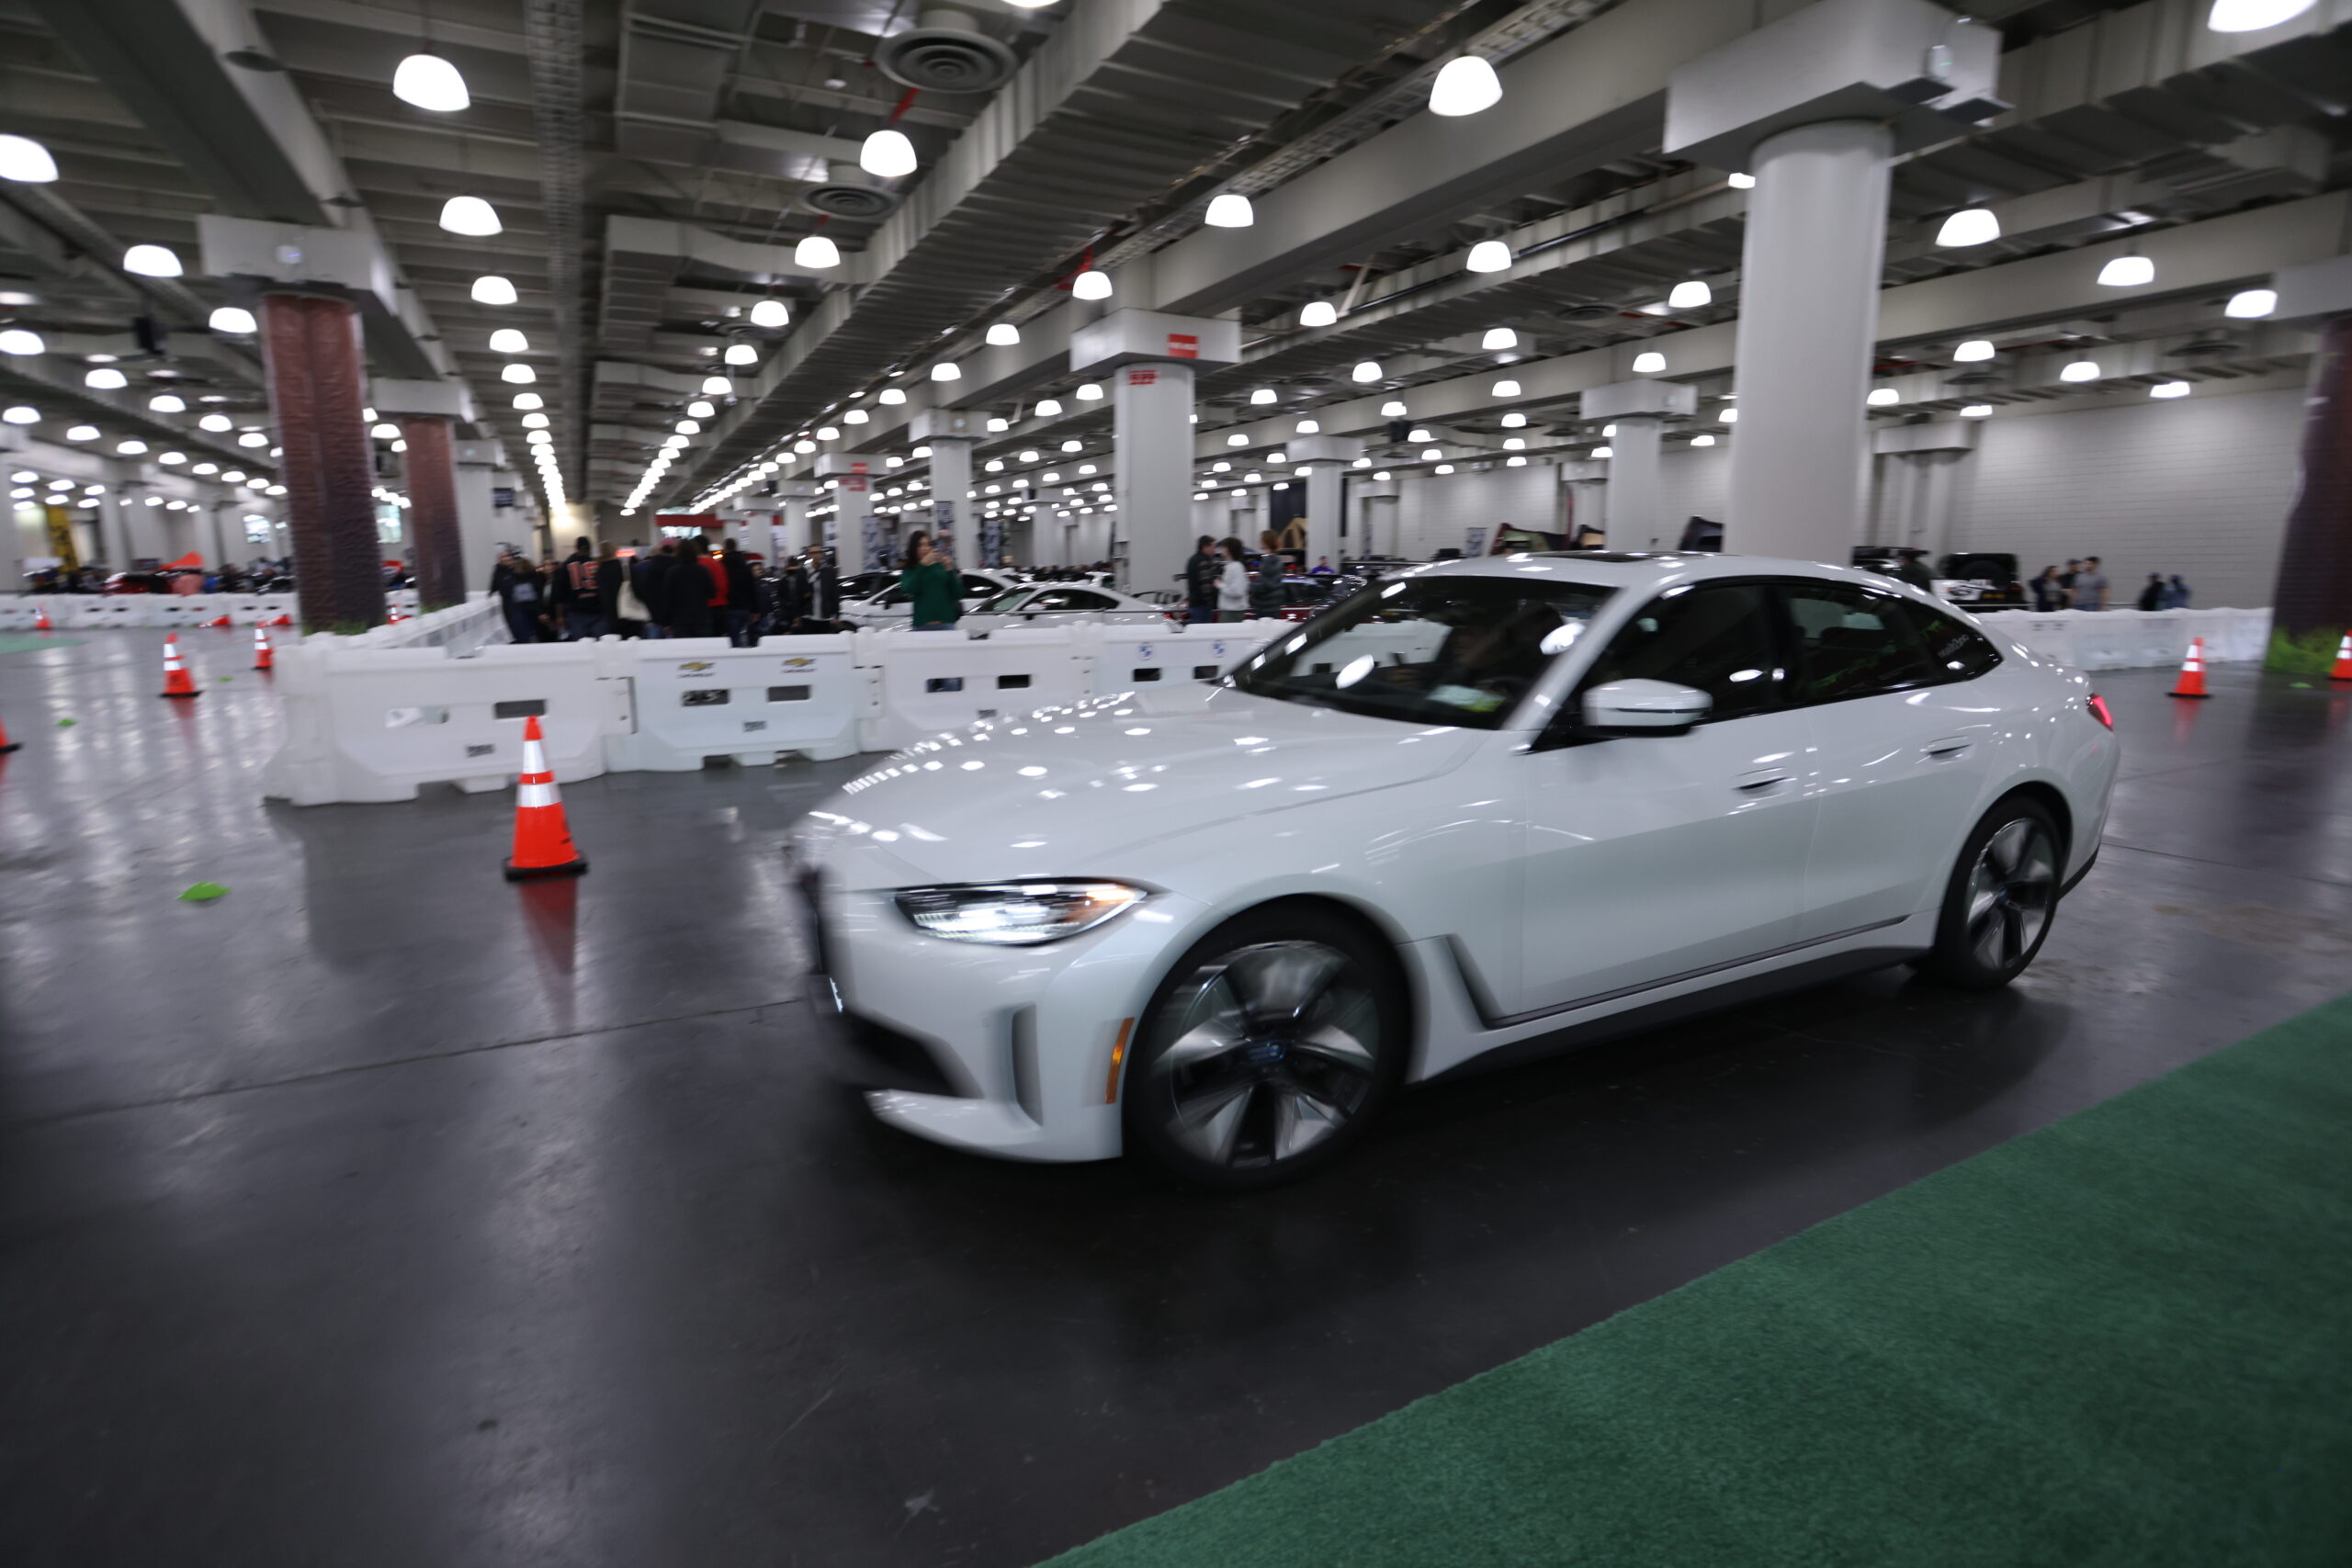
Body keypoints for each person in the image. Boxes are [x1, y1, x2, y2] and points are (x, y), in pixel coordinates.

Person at [901, 537, 962, 631]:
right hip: (921, 625)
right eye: (920, 545)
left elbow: (958, 593)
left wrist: (950, 570)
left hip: (946, 624)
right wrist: (922, 565)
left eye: (928, 544)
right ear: (913, 548)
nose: (925, 548)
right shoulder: (910, 570)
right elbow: (909, 589)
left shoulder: (940, 567)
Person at [491, 549, 543, 644]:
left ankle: (527, 640)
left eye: (508, 557)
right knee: (515, 625)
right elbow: (496, 584)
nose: (506, 559)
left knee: (524, 626)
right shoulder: (500, 571)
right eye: (503, 558)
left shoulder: (522, 572)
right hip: (511, 603)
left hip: (523, 604)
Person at [665, 536, 714, 638]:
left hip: (680, 620)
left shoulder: (672, 572)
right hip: (701, 618)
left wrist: (667, 621)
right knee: (703, 651)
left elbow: (667, 598)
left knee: (683, 651)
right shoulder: (703, 570)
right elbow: (711, 593)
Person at [720, 539, 760, 645]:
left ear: (725, 548)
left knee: (733, 640)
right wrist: (755, 609)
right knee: (747, 637)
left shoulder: (722, 565)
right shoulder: (745, 565)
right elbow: (752, 588)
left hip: (729, 606)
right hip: (745, 607)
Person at [1183, 535, 1220, 624]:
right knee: (1204, 632)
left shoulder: (1192, 559)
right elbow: (1207, 587)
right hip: (1203, 605)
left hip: (1194, 603)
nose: (1214, 550)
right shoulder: (1203, 562)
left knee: (1197, 632)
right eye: (1213, 547)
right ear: (1204, 547)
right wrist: (1213, 603)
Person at [1215, 537, 1250, 623]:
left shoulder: (1236, 567)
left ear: (1228, 549)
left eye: (1223, 547)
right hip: (1229, 611)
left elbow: (1238, 592)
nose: (1221, 550)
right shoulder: (1231, 566)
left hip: (1232, 613)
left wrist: (1220, 585)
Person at [1249, 544, 1286, 618]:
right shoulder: (1277, 559)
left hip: (1265, 607)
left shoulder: (1268, 560)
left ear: (1265, 541)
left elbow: (1266, 584)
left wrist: (1250, 586)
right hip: (1274, 606)